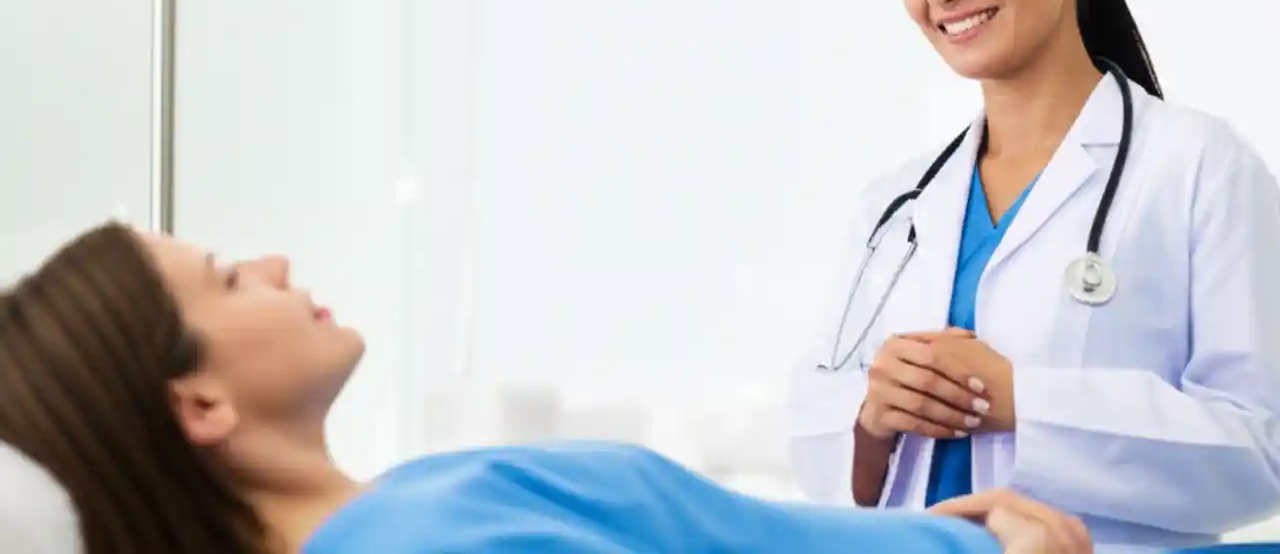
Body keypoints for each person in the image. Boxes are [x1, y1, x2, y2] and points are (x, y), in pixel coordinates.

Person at [0, 223, 1092, 553]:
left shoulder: (413, 509)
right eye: (227, 280)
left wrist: (928, 538)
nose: (275, 265)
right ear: (198, 406)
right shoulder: (416, 545)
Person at [786, 0, 1280, 550]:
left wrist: (1020, 400)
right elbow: (817, 433)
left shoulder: (1198, 167)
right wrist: (870, 417)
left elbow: (1261, 446)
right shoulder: (897, 208)